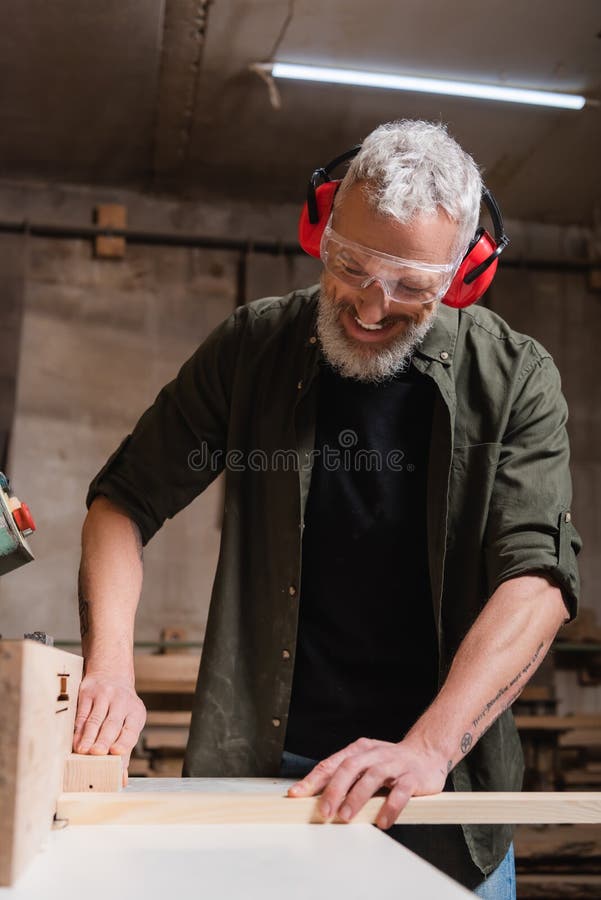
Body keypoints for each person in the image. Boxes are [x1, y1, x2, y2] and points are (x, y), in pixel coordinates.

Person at [74, 120, 581, 896]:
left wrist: (428, 748)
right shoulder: (252, 348)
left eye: (411, 285)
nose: (372, 308)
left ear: (463, 275)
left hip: (435, 783)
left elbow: (536, 581)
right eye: (352, 266)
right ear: (320, 227)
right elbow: (122, 502)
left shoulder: (514, 379)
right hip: (265, 775)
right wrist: (110, 667)